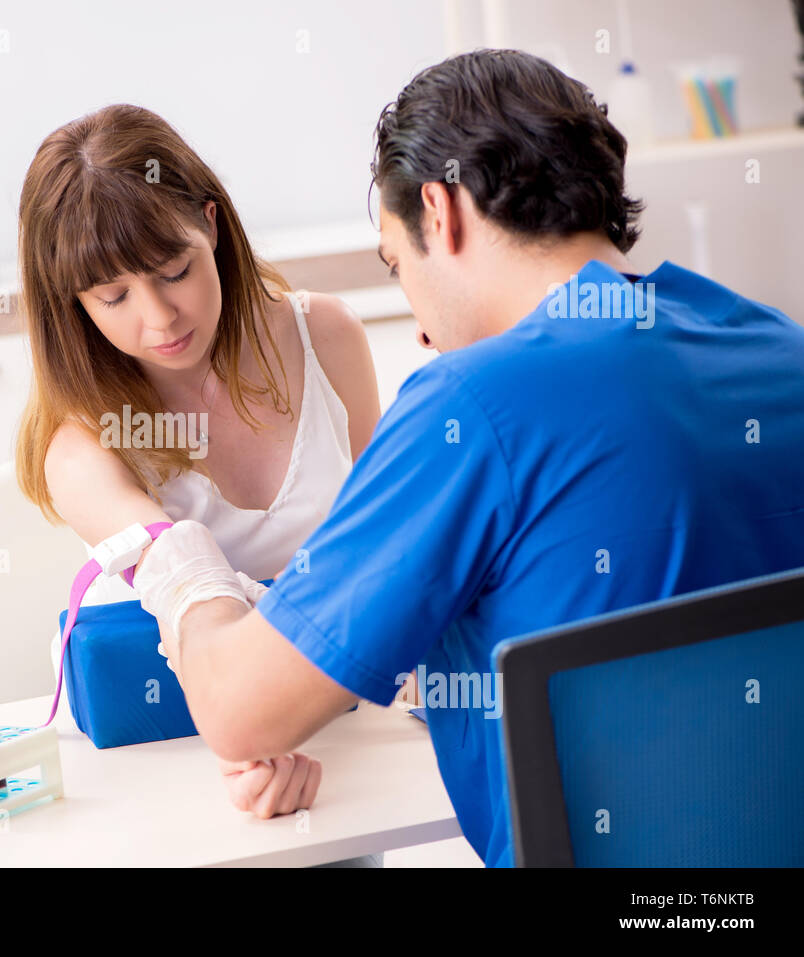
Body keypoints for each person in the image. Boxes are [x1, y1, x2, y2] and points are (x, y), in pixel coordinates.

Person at [129, 49, 804, 866]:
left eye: (396, 262)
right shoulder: (777, 347)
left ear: (440, 210)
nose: (416, 326)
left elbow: (240, 709)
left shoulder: (474, 403)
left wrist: (184, 571)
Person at [13, 104, 388, 813]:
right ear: (74, 305)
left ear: (212, 225)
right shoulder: (82, 445)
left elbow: (386, 545)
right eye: (114, 295)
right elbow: (186, 579)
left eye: (173, 270)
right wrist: (254, 719)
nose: (159, 318)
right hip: (173, 768)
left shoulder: (327, 337)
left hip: (344, 726)